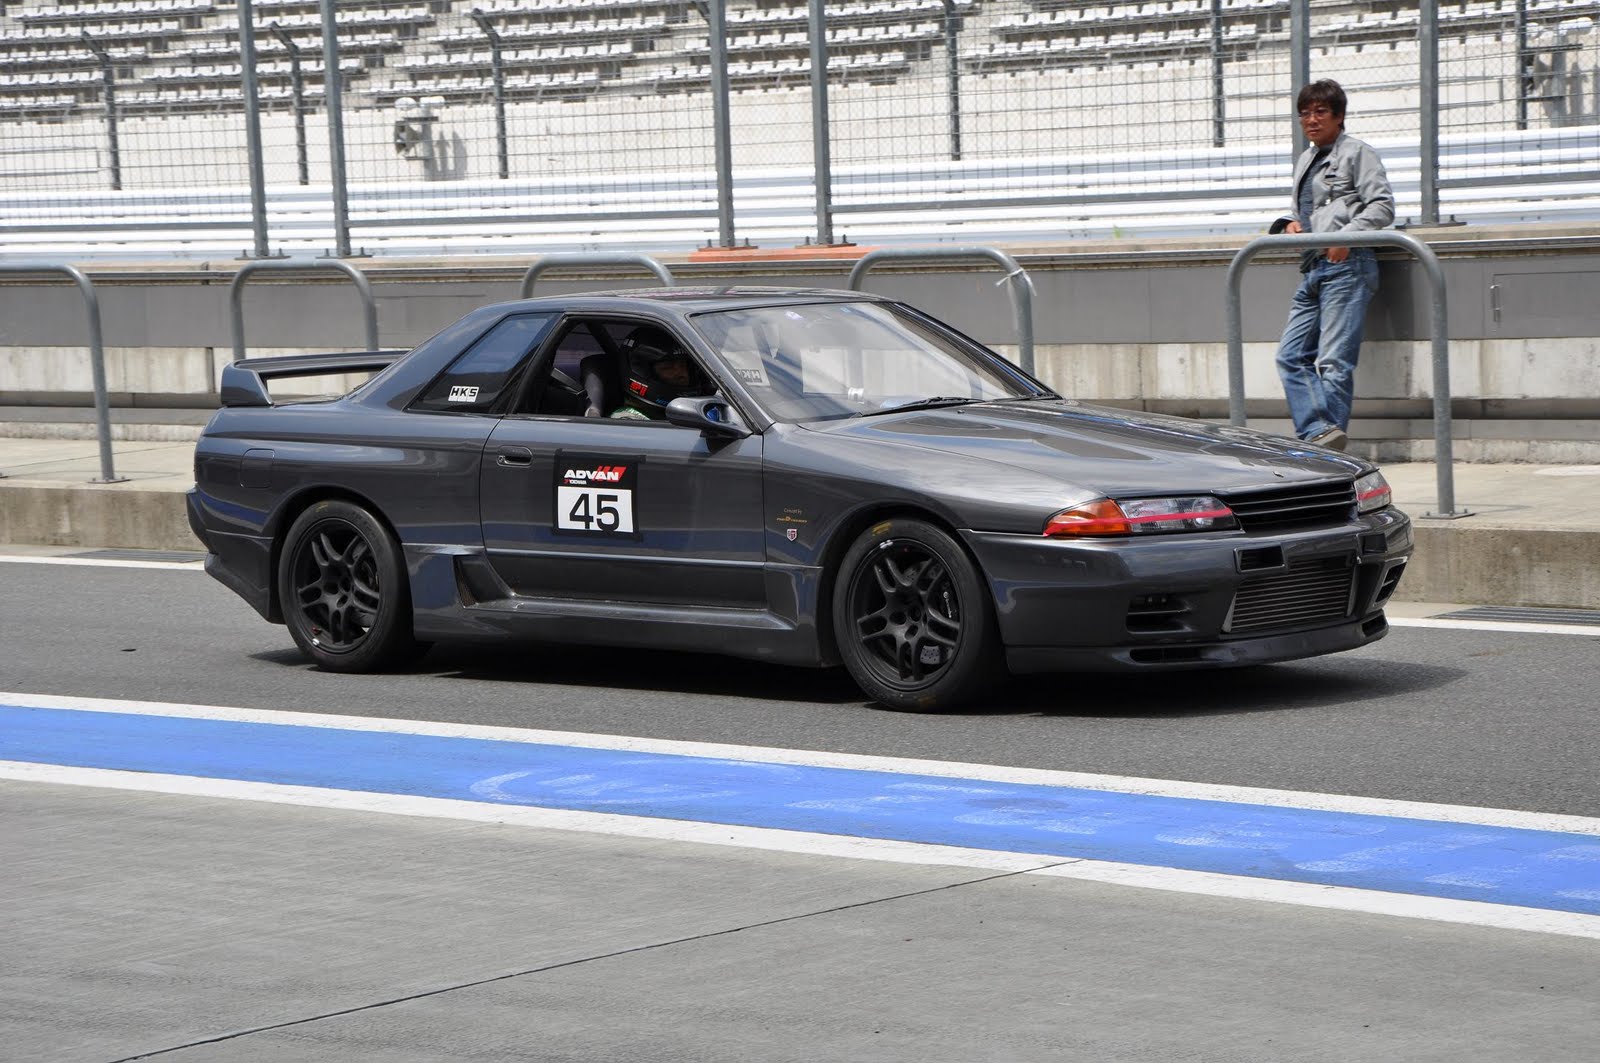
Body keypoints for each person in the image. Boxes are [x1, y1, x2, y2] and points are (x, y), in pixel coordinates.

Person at [1269, 79, 1395, 452]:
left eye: (1320, 111)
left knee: (1334, 362)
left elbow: (1382, 207)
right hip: (1312, 267)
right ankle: (1319, 434)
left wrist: (1347, 237)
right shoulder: (1306, 160)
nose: (1311, 119)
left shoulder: (1359, 153)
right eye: (1304, 113)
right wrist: (1291, 225)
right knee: (1290, 355)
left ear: (1339, 116)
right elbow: (1308, 212)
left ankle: (1325, 448)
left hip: (1347, 265)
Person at [610, 326, 714, 420]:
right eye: (668, 367)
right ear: (641, 372)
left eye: (684, 365)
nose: (683, 374)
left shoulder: (697, 410)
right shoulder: (629, 419)